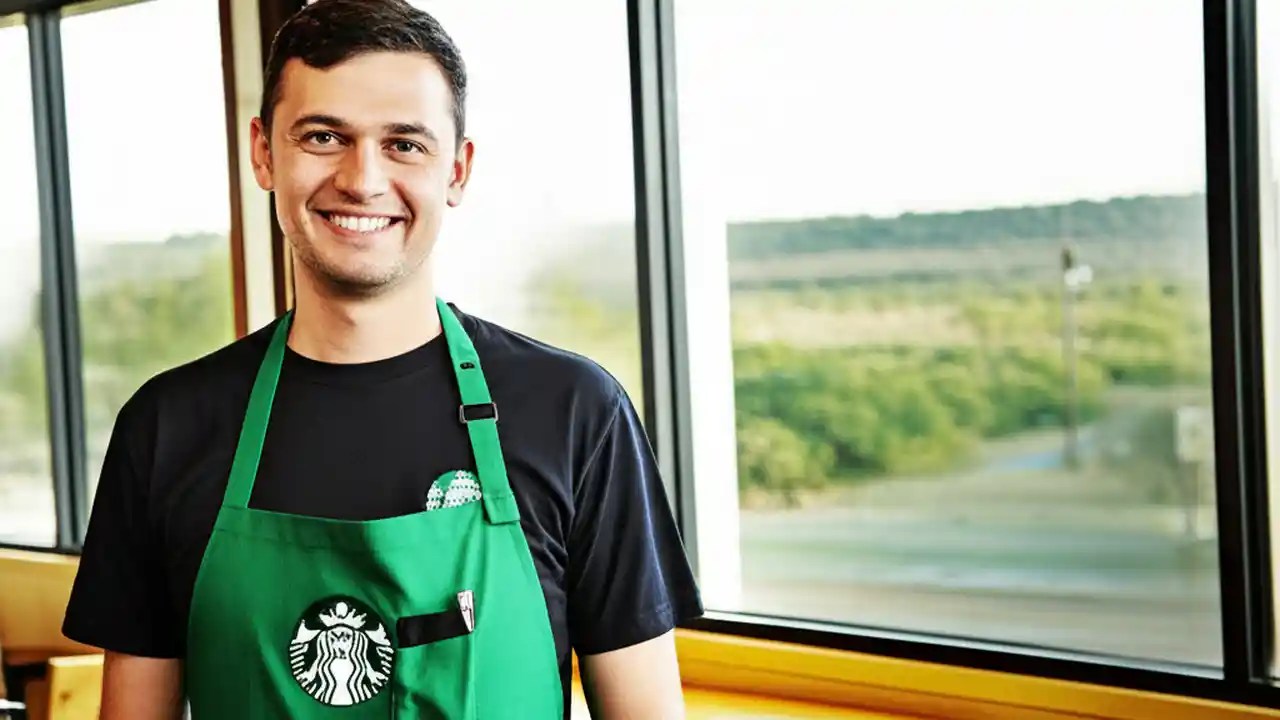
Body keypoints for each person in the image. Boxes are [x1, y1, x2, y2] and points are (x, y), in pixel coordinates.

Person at [61, 0, 703, 716]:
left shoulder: (577, 412)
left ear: (456, 171)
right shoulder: (166, 425)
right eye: (324, 136)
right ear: (264, 153)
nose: (362, 180)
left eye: (405, 144)